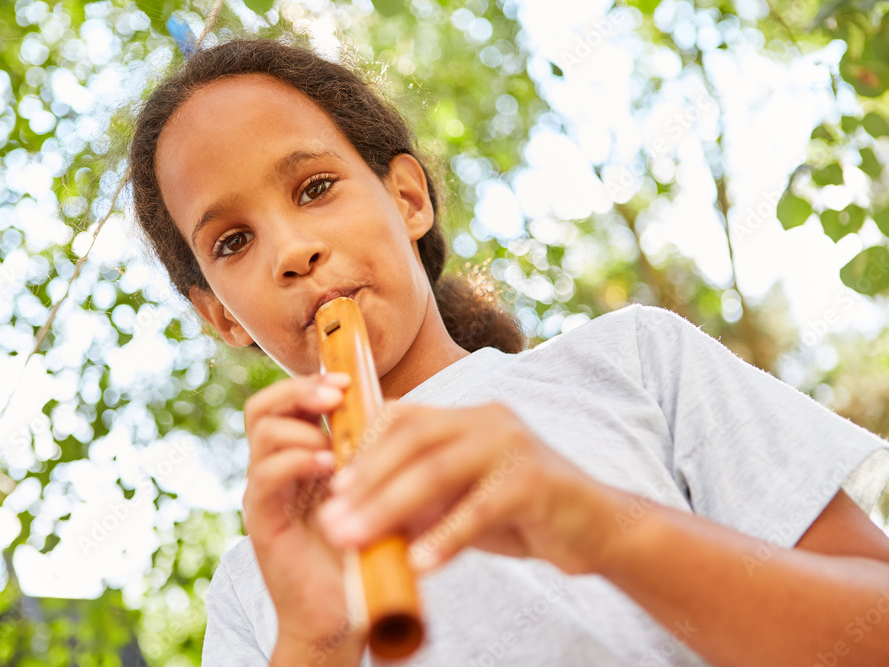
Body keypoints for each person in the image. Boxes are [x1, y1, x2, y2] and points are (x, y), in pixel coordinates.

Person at [126, 36, 889, 666]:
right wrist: (317, 642)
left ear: (408, 198)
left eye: (315, 187)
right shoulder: (251, 585)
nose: (291, 251)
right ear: (221, 317)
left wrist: (598, 524)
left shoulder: (633, 359)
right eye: (232, 241)